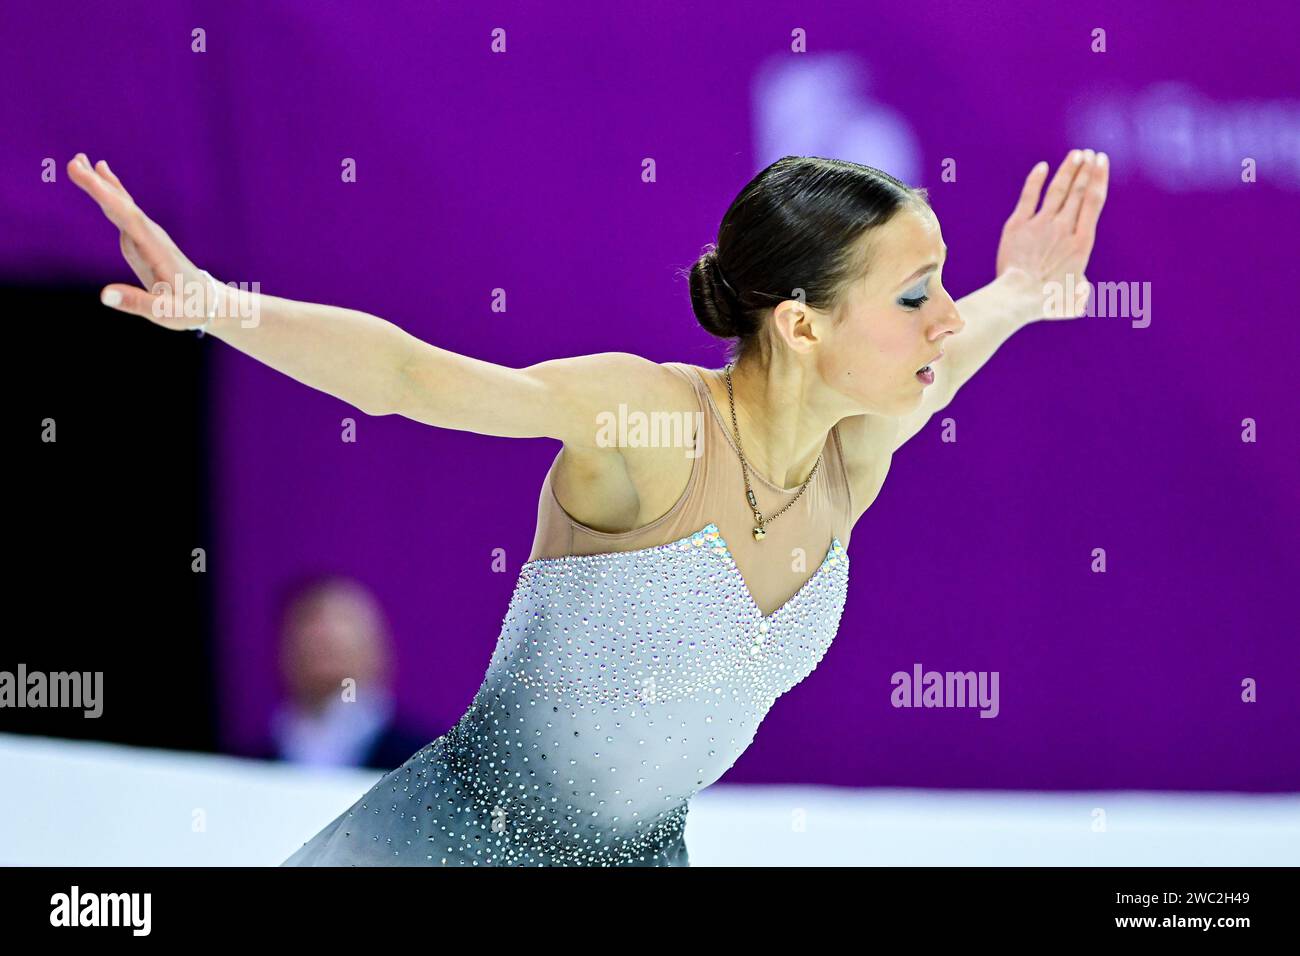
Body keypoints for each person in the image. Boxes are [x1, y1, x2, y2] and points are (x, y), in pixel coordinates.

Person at [67, 149, 1108, 865]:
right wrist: (215, 305)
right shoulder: (645, 422)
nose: (945, 318)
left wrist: (1022, 287)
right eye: (916, 291)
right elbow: (411, 377)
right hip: (448, 847)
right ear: (798, 323)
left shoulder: (852, 457)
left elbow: (960, 352)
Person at [257, 575, 434, 773]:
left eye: (342, 621)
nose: (323, 634)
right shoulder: (247, 768)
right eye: (309, 621)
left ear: (378, 650)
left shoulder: (427, 762)